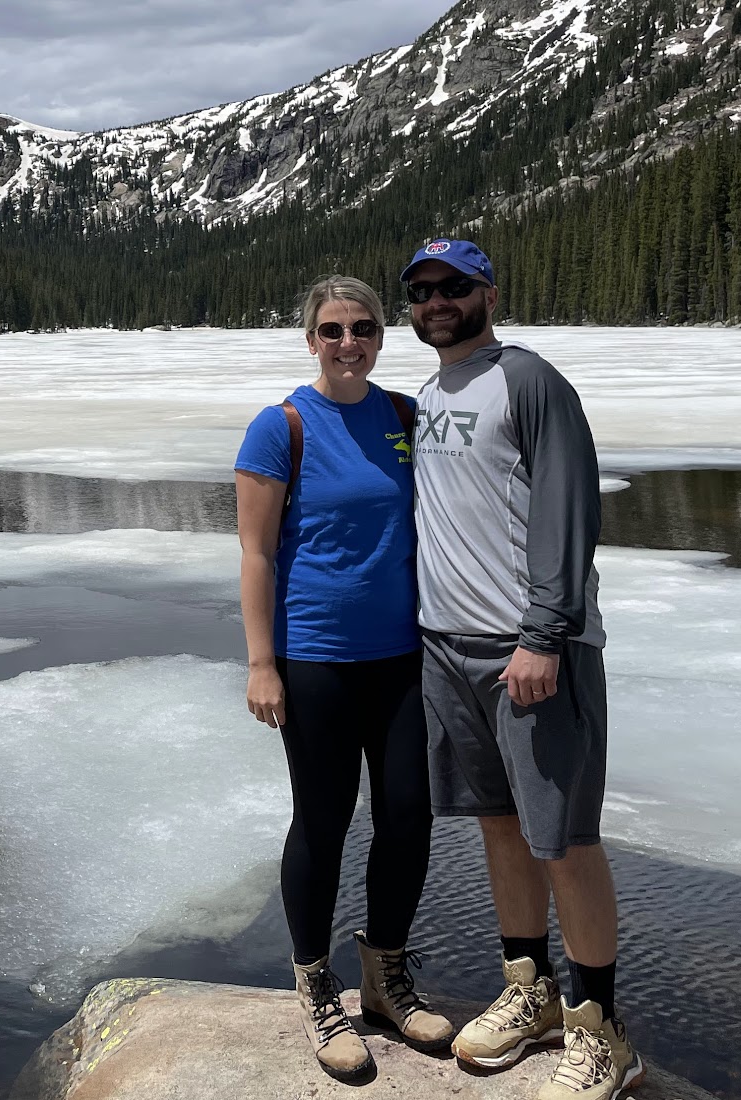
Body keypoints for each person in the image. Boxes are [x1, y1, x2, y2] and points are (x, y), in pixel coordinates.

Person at [400, 239, 642, 1100]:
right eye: (422, 289)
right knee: (499, 825)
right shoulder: (428, 395)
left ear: (488, 293)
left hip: (530, 652)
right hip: (449, 649)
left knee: (566, 840)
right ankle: (528, 992)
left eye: (453, 287)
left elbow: (569, 514)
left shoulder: (528, 381)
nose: (437, 301)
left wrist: (545, 634)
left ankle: (602, 1030)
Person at [234, 274, 455, 1083]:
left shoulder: (403, 417)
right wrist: (263, 663)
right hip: (316, 657)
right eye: (332, 330)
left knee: (408, 815)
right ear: (310, 340)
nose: (348, 343)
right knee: (322, 822)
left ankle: (385, 975)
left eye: (362, 328)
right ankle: (314, 984)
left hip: (400, 657)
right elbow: (257, 555)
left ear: (381, 335)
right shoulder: (282, 426)